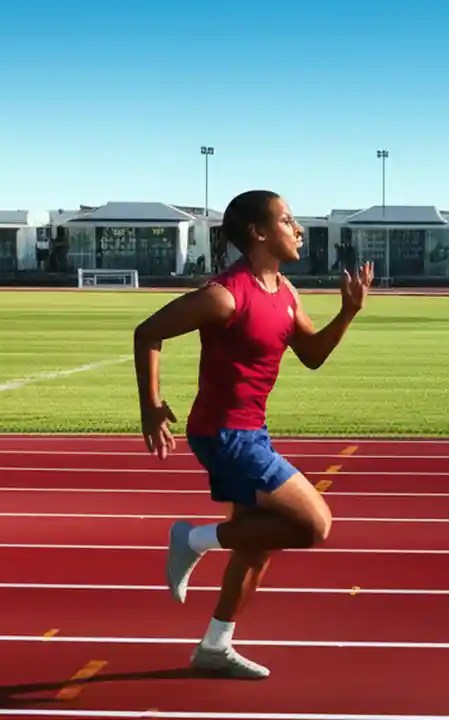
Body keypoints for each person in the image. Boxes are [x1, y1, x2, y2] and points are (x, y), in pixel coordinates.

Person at [132, 189, 373, 678]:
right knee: (314, 524)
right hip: (223, 435)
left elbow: (312, 355)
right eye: (288, 220)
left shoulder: (285, 292)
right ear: (260, 233)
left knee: (259, 542)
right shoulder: (225, 295)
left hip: (251, 432)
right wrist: (151, 407)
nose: (299, 229)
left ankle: (215, 646)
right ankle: (193, 539)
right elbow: (147, 332)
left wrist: (348, 313)